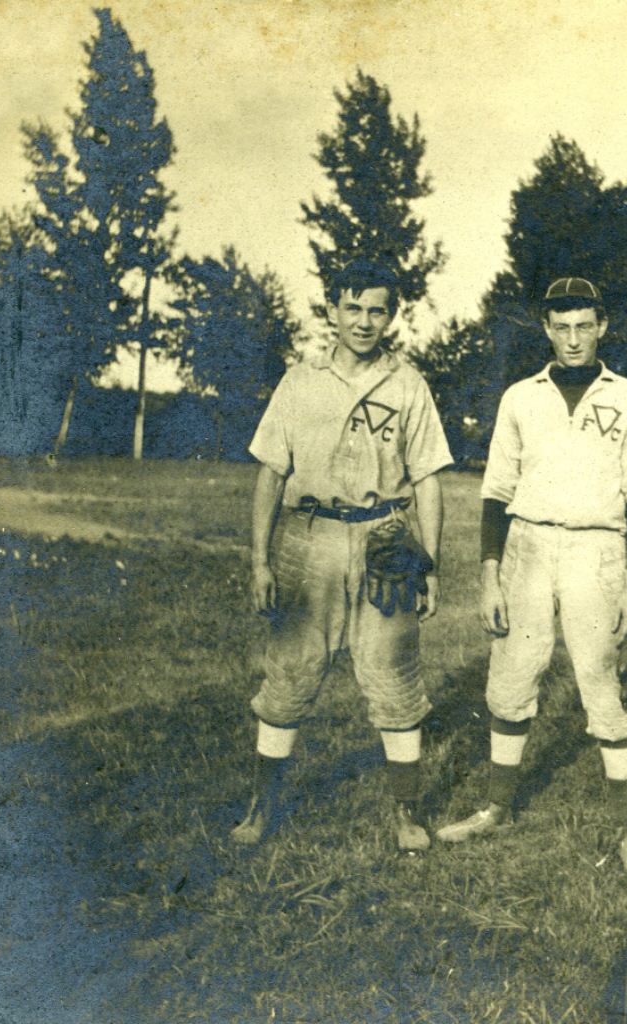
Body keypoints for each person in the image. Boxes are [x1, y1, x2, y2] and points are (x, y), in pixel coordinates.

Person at [435, 277, 627, 872]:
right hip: (528, 545)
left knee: (606, 681)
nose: (573, 339)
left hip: (598, 547)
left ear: (602, 326)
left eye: (584, 326)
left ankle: (626, 830)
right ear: (546, 330)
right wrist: (489, 577)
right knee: (512, 675)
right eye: (562, 328)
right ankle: (497, 807)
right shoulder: (521, 397)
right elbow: (495, 493)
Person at [231, 257, 453, 853]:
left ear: (392, 316)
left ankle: (406, 811)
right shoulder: (300, 381)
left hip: (387, 541)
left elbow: (428, 479)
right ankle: (262, 805)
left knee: (392, 671)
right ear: (333, 309)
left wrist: (429, 564)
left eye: (377, 310)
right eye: (352, 307)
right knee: (291, 669)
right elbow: (271, 474)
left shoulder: (408, 385)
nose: (363, 321)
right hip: (311, 538)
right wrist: (260, 561)